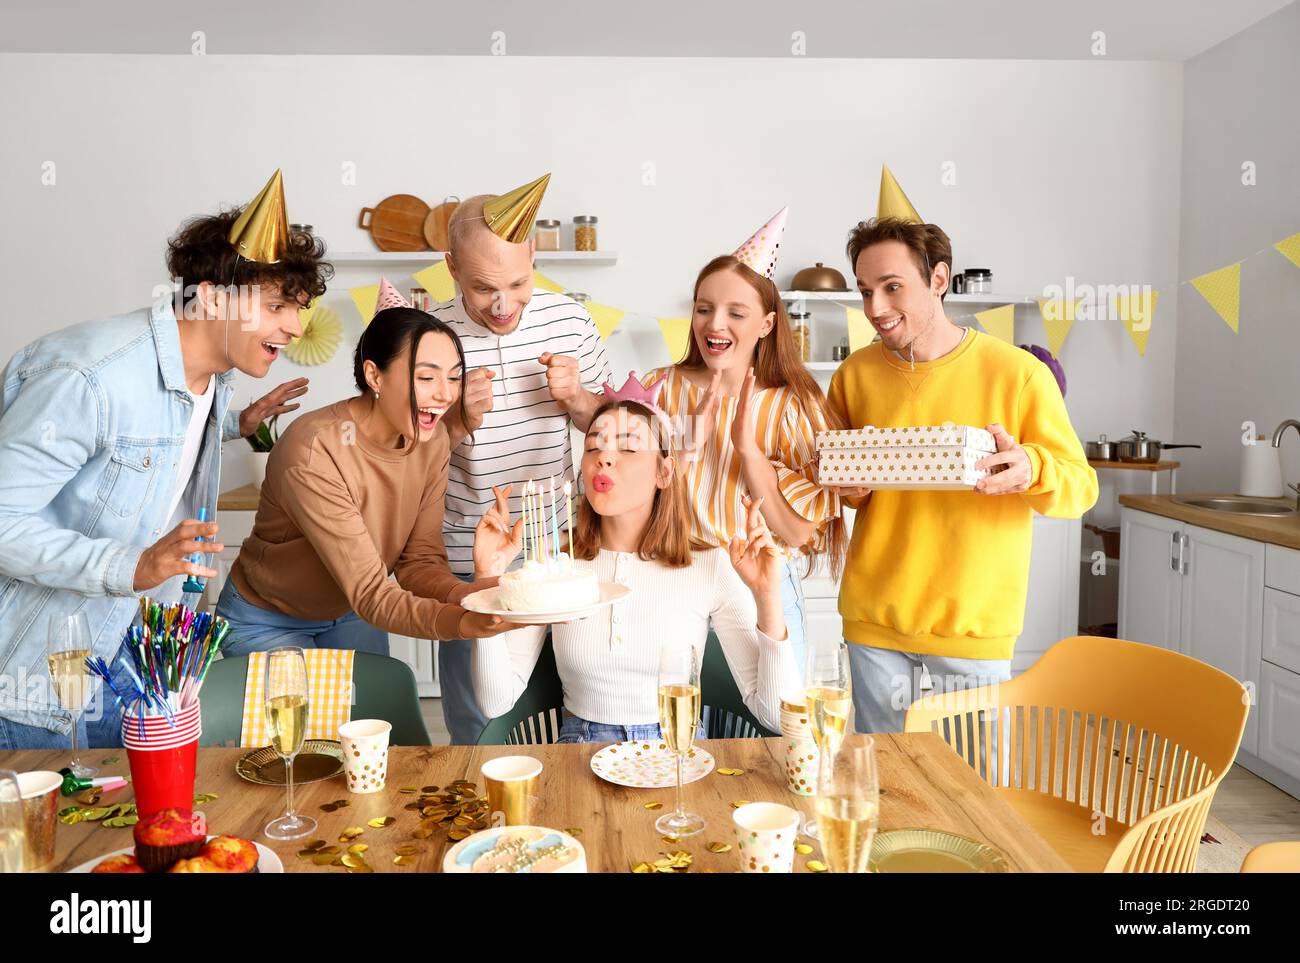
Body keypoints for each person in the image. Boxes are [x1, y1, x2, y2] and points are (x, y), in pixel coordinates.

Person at [0, 171, 324, 748]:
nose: (295, 327)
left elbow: (150, 441)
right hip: (49, 669)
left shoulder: (211, 375)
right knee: (53, 836)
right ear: (211, 297)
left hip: (148, 651)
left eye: (297, 308)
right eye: (277, 305)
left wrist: (235, 425)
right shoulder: (88, 377)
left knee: (144, 827)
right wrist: (130, 566)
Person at [825, 216, 1099, 733]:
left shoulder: (1017, 374)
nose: (875, 309)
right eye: (865, 291)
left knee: (974, 790)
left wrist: (1031, 467)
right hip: (874, 618)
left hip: (973, 624)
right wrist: (850, 490)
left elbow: (1079, 488)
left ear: (938, 279)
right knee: (886, 782)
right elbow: (847, 489)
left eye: (892, 287)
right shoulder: (853, 376)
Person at [471, 386, 799, 742]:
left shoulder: (710, 565)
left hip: (677, 751)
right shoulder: (553, 562)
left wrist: (768, 596)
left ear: (664, 472)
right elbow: (495, 701)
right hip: (579, 755)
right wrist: (488, 579)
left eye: (627, 447)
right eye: (593, 446)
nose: (605, 458)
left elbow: (780, 717)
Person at [216, 285, 517, 654]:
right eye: (426, 378)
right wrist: (463, 622)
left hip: (351, 611)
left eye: (454, 378)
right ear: (375, 376)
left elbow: (419, 562)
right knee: (299, 714)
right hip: (268, 617)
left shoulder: (433, 441)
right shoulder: (315, 448)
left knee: (371, 712)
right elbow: (372, 593)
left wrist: (476, 595)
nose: (445, 395)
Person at [432, 175, 612, 743]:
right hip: (470, 554)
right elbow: (405, 455)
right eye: (485, 287)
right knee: (478, 719)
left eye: (518, 282)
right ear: (452, 267)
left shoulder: (571, 320)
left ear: (534, 256)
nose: (503, 303)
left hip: (558, 548)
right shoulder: (430, 335)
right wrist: (458, 418)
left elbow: (608, 428)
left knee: (568, 705)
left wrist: (579, 398)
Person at [646, 208, 843, 676]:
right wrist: (690, 438)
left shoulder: (794, 406)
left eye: (737, 313)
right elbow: (635, 505)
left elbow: (797, 534)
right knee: (681, 734)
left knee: (776, 732)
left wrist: (749, 451)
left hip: (760, 587)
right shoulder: (658, 389)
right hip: (674, 584)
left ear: (767, 324)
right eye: (704, 308)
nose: (716, 324)